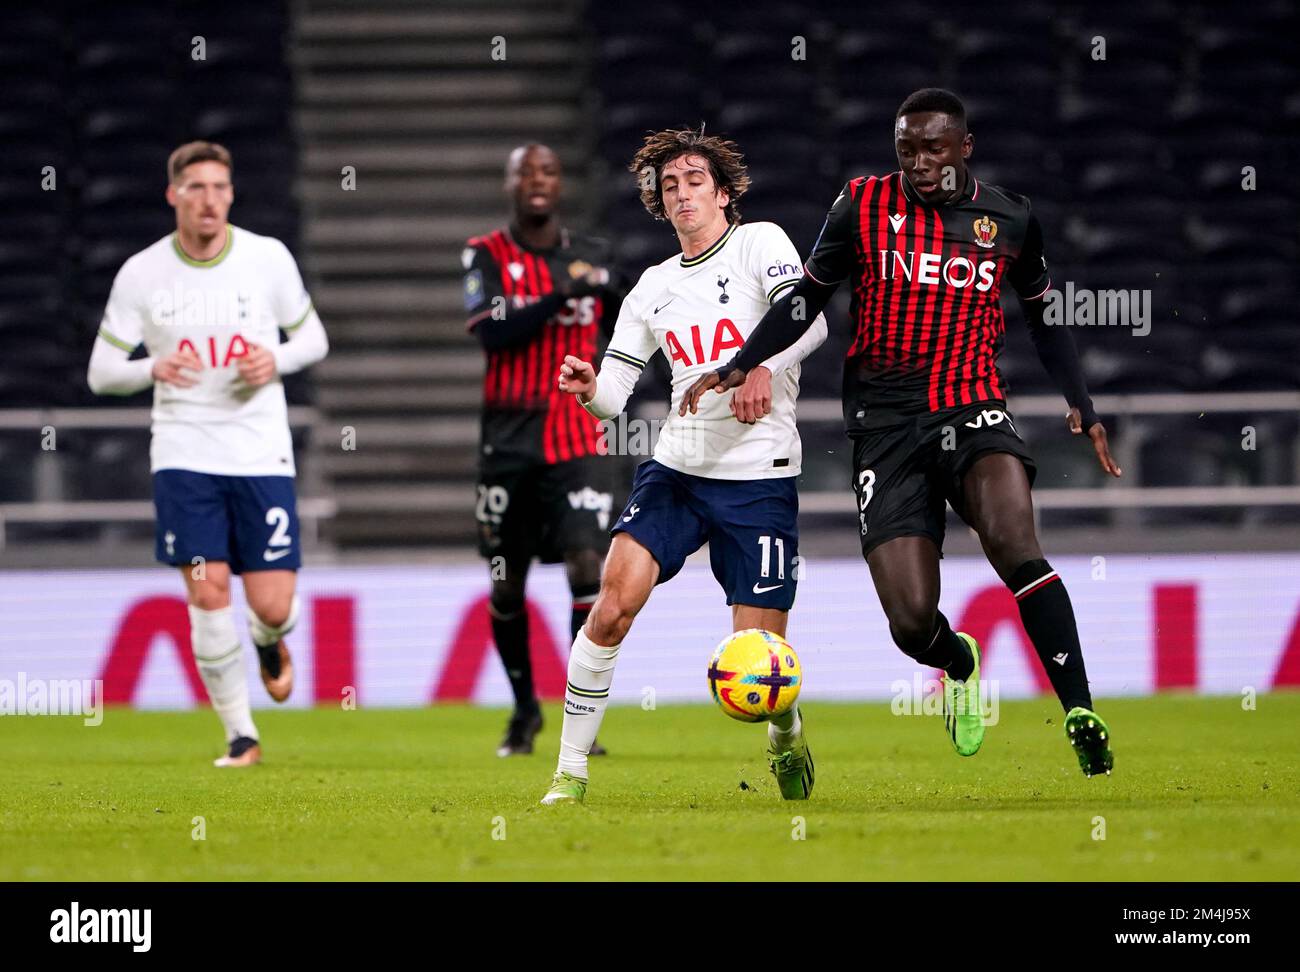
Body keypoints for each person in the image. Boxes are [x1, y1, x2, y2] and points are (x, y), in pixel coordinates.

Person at [683, 89, 1118, 777]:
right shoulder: (861, 204)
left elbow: (1043, 317)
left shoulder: (1009, 219)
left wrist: (1082, 403)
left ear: (964, 147)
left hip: (972, 408)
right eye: (906, 148)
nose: (918, 161)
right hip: (886, 429)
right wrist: (744, 361)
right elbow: (806, 297)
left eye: (933, 148)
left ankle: (1079, 711)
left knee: (1015, 545)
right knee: (913, 623)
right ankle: (959, 661)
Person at [540, 127, 828, 805]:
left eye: (696, 180)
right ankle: (569, 774)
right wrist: (587, 389)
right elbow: (613, 397)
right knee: (612, 605)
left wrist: (762, 365)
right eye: (670, 186)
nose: (683, 193)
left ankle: (786, 735)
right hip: (677, 469)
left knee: (756, 668)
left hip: (760, 476)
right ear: (660, 204)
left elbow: (810, 323)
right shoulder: (653, 287)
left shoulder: (762, 243)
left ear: (724, 193)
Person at [87, 140, 329, 767]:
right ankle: (240, 735)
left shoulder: (265, 258)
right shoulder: (142, 273)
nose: (209, 199)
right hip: (184, 452)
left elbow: (314, 339)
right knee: (208, 588)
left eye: (220, 187)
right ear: (173, 195)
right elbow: (101, 372)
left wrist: (273, 358)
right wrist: (154, 367)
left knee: (273, 604)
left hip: (259, 452)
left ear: (230, 194)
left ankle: (268, 638)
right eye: (195, 187)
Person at [464, 144, 625, 756]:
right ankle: (523, 709)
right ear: (510, 183)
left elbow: (630, 315)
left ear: (561, 185)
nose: (538, 181)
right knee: (508, 585)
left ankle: (575, 715)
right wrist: (563, 293)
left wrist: (610, 288)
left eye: (549, 172)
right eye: (526, 172)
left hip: (577, 437)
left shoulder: (594, 255)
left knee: (588, 568)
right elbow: (494, 332)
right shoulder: (484, 254)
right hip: (507, 445)